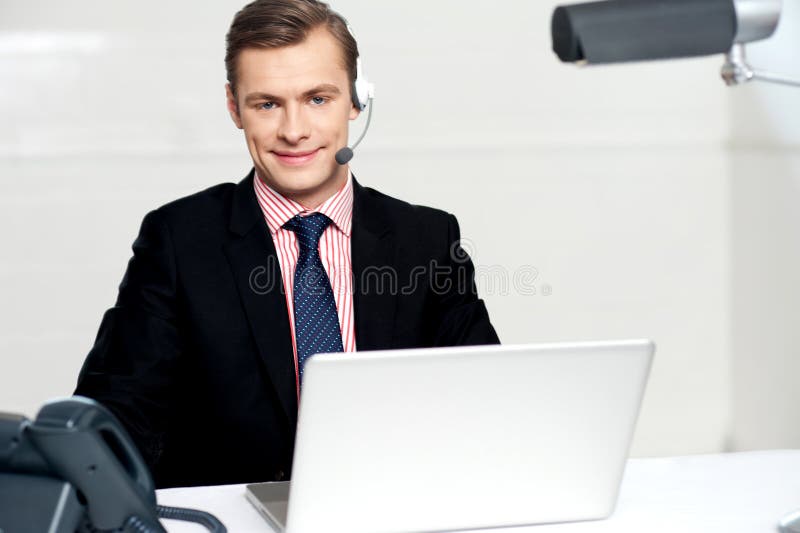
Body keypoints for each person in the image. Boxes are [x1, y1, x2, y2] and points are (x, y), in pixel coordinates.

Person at [75, 0, 499, 489]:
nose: (294, 131)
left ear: (357, 100)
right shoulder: (177, 240)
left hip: (391, 506)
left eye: (318, 98)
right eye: (268, 103)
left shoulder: (426, 239)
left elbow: (484, 399)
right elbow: (113, 418)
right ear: (235, 107)